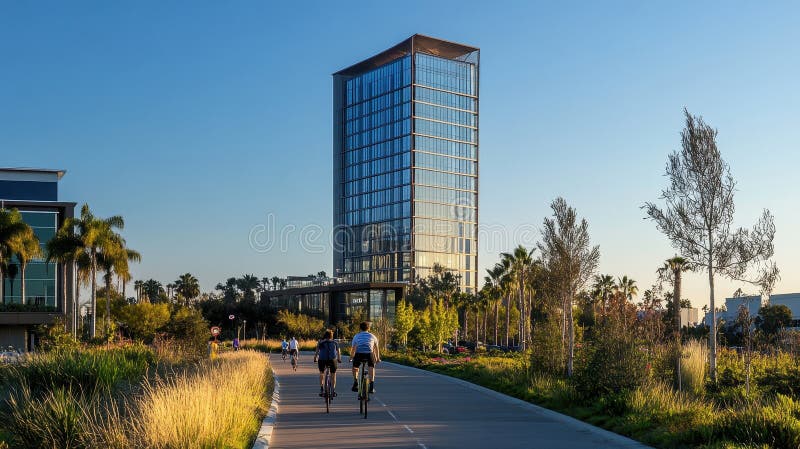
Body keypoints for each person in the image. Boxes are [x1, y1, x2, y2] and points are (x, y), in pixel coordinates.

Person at [350, 321, 380, 394]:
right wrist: (378, 358)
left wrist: (351, 357)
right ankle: (371, 386)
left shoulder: (356, 336)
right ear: (368, 328)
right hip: (369, 354)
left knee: (355, 367)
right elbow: (376, 348)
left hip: (359, 354)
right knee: (371, 367)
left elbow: (353, 348)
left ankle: (355, 382)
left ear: (360, 328)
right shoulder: (372, 336)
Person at [314, 329, 342, 397]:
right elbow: (338, 352)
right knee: (333, 374)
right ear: (331, 336)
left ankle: (321, 389)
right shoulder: (335, 343)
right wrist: (339, 359)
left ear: (325, 336)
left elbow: (317, 351)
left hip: (322, 360)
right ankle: (333, 390)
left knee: (321, 373)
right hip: (332, 360)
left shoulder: (320, 342)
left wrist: (315, 358)